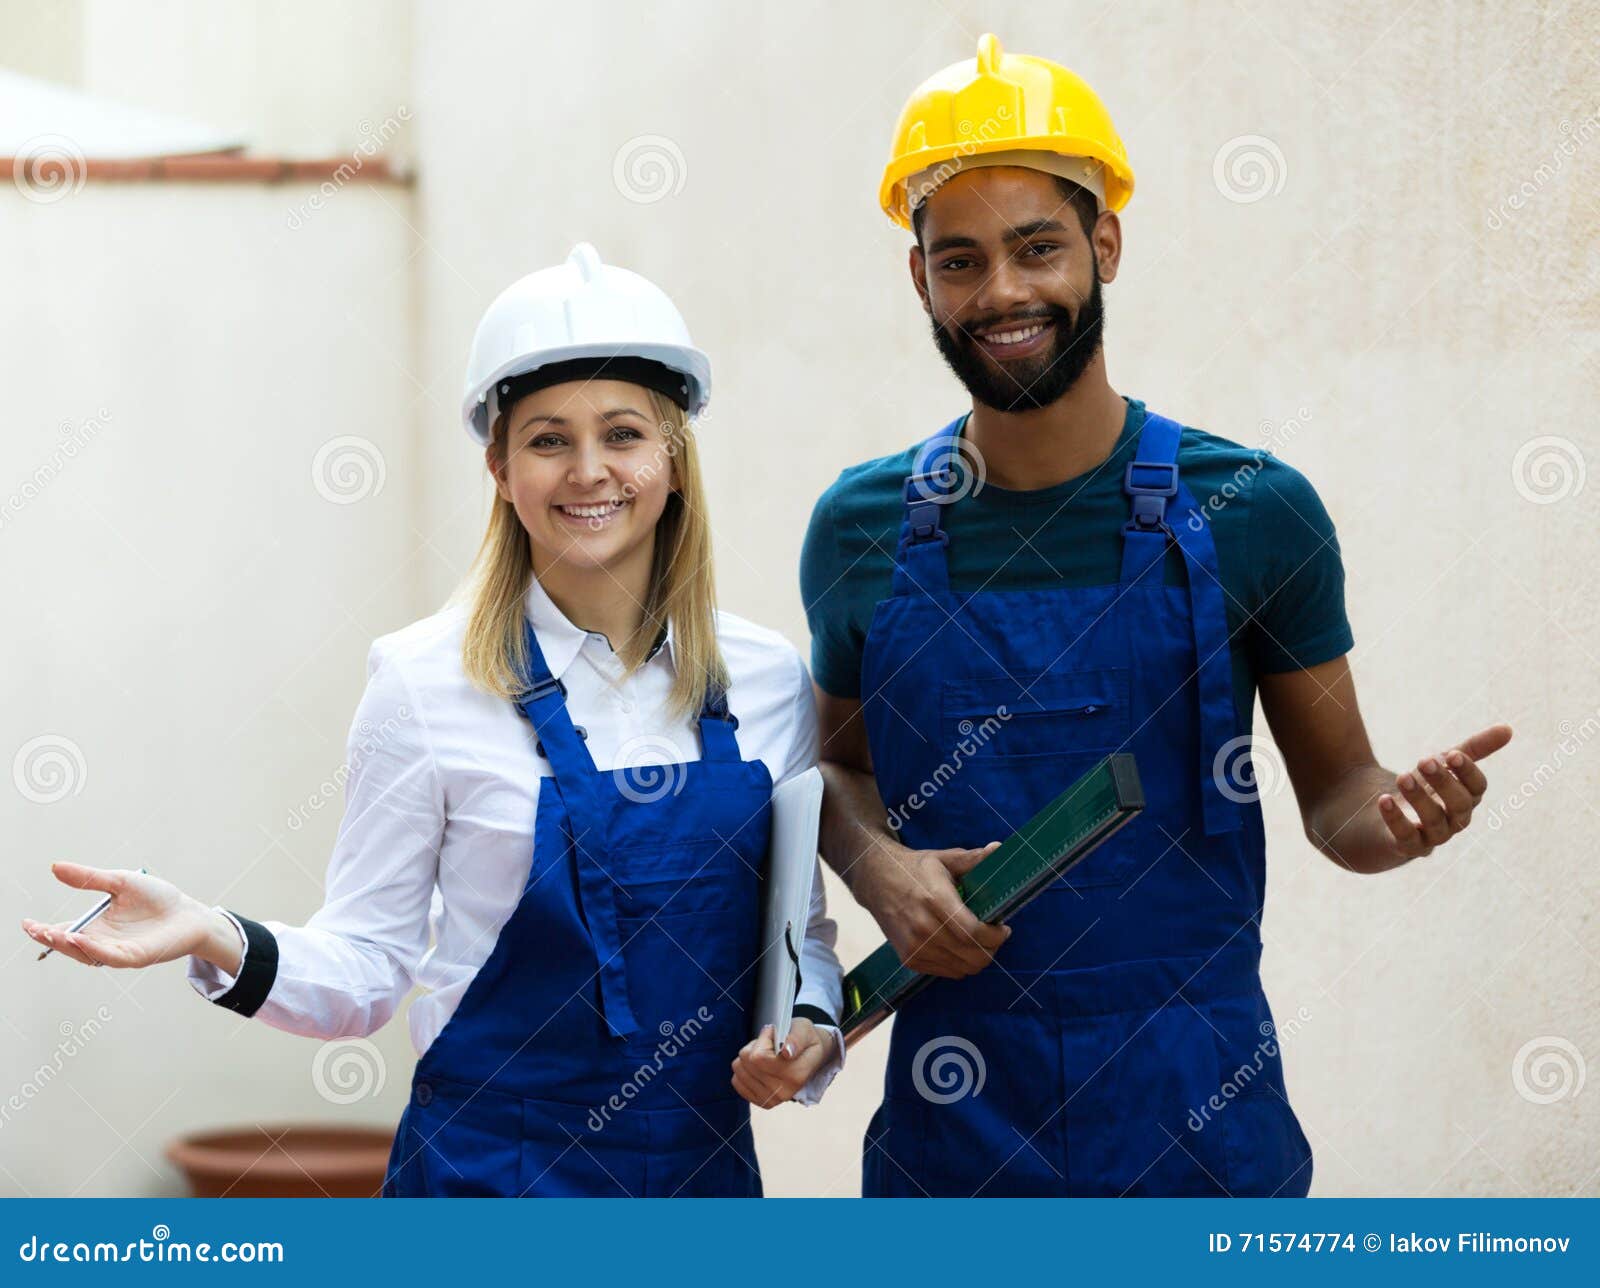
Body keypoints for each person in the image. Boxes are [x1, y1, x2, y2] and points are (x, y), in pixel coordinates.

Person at [801, 34, 1511, 1197]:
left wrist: (1405, 817)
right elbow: (830, 773)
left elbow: (1341, 798)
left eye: (1036, 248)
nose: (1003, 293)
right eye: (960, 260)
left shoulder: (1254, 511)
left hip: (1199, 1113)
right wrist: (882, 872)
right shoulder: (860, 527)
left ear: (1105, 244)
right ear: (919, 277)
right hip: (956, 1124)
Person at [23, 243, 845, 1198]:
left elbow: (800, 942)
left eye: (623, 433)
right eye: (547, 439)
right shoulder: (423, 683)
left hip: (701, 1182)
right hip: (487, 1183)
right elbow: (370, 967)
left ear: (673, 457)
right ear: (499, 465)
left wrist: (812, 1035)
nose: (589, 471)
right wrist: (213, 932)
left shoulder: (768, 681)